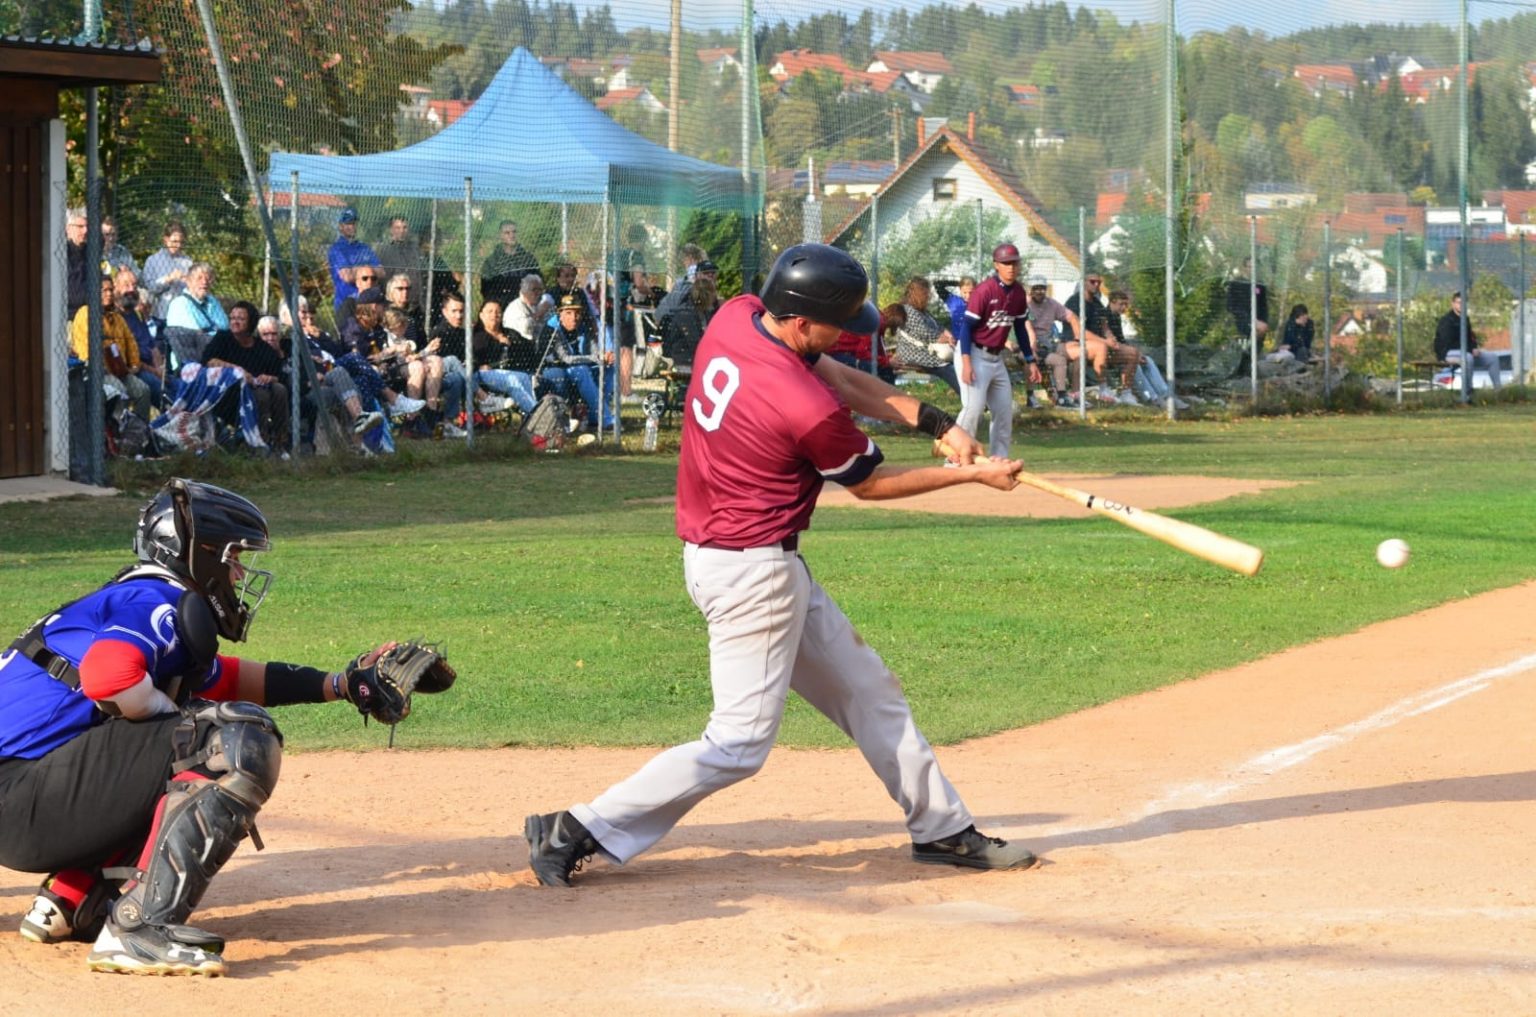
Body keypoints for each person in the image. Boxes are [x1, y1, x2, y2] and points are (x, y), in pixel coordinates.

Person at [523, 244, 1038, 888]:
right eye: (838, 323)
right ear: (800, 321)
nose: (850, 335)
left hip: (740, 560)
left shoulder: (739, 317)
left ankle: (942, 830)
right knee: (737, 744)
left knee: (869, 689)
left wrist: (934, 418)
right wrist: (972, 475)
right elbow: (871, 485)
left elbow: (840, 374)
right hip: (753, 576)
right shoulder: (803, 405)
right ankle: (576, 828)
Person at [0, 479, 438, 975]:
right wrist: (177, 727)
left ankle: (74, 895)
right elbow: (107, 676)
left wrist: (339, 684)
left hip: (23, 797)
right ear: (198, 554)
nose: (238, 574)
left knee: (190, 728)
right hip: (24, 800)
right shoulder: (156, 600)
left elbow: (227, 677)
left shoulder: (135, 601)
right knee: (230, 740)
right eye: (232, 559)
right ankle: (140, 929)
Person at [957, 244, 1039, 458]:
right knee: (973, 409)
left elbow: (1020, 328)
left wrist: (1030, 360)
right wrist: (966, 363)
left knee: (1004, 411)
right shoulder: (984, 291)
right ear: (996, 265)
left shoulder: (1019, 293)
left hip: (996, 358)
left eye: (1014, 262)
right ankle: (955, 456)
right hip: (973, 352)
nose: (1011, 267)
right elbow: (966, 328)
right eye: (1006, 263)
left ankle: (999, 459)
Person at [203, 301, 291, 453]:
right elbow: (209, 361)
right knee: (261, 395)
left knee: (280, 389)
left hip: (259, 387)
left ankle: (280, 442)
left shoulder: (261, 347)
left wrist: (269, 378)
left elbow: (279, 375)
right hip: (229, 392)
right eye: (232, 318)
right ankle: (259, 443)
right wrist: (238, 370)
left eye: (240, 319)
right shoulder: (223, 339)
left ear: (251, 322)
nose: (235, 322)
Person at [71, 275, 153, 422]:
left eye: (111, 290)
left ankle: (138, 432)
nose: (108, 294)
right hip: (98, 372)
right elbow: (85, 349)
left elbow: (131, 343)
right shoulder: (85, 313)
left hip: (120, 371)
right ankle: (116, 434)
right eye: (104, 290)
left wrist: (134, 365)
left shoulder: (116, 317)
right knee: (120, 391)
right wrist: (104, 369)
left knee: (143, 391)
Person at [542, 292, 616, 432]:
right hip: (554, 370)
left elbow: (594, 352)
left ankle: (595, 417)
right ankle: (606, 420)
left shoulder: (582, 327)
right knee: (581, 370)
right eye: (569, 313)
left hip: (578, 368)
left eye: (577, 313)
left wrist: (604, 358)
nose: (574, 318)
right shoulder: (553, 329)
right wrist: (598, 358)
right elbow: (566, 359)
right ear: (560, 313)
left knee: (609, 368)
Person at [1064, 272, 1140, 404]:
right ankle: (1103, 389)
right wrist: (1105, 342)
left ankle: (1125, 393)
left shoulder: (1097, 303)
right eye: (1092, 281)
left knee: (1133, 353)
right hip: (1076, 344)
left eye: (1099, 282)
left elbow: (1105, 327)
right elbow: (1079, 332)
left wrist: (1111, 339)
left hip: (1099, 344)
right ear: (1084, 283)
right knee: (1102, 347)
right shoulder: (1074, 302)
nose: (1096, 284)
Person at [890, 276, 961, 394]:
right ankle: (967, 397)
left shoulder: (922, 311)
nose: (929, 296)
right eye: (926, 293)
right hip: (914, 352)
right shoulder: (908, 311)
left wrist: (948, 336)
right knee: (946, 368)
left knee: (960, 362)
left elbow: (939, 327)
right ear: (919, 293)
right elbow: (927, 334)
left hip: (927, 349)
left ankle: (973, 397)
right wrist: (948, 339)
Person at [1022, 277, 1081, 408]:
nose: (1039, 291)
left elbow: (1071, 316)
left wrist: (1077, 338)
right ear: (1029, 290)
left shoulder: (1051, 303)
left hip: (1048, 343)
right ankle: (1034, 396)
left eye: (1042, 288)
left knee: (1081, 353)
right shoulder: (1023, 305)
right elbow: (1027, 331)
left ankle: (1074, 395)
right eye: (1035, 288)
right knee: (1054, 360)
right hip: (1027, 343)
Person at [114, 268, 165, 410]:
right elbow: (129, 358)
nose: (131, 289)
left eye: (134, 285)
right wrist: (155, 372)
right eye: (126, 285)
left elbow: (153, 347)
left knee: (181, 387)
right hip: (136, 369)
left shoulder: (138, 315)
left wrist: (160, 368)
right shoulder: (116, 318)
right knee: (159, 389)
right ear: (115, 286)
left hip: (153, 368)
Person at [162, 263, 229, 368]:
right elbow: (196, 336)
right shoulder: (180, 304)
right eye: (199, 278)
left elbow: (225, 326)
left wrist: (209, 330)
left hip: (217, 353)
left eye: (208, 278)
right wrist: (215, 332)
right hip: (191, 362)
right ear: (188, 281)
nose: (204, 282)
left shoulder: (213, 301)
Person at [1434, 291, 1502, 390]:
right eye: (1458, 302)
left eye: (1463, 302)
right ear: (1453, 304)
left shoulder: (1465, 319)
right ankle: (1467, 391)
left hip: (1465, 352)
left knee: (1493, 358)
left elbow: (1471, 337)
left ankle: (1498, 390)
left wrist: (1474, 348)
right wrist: (1470, 350)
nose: (1461, 305)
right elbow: (1448, 343)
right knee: (1468, 357)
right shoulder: (1447, 320)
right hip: (1447, 353)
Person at [326, 207, 379, 314]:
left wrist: (356, 271)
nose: (352, 226)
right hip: (345, 304)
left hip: (367, 303)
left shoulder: (364, 247)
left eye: (354, 223)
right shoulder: (337, 249)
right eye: (348, 223)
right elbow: (347, 276)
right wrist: (368, 270)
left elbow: (382, 272)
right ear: (341, 226)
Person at [481, 220, 538, 309]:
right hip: (501, 306)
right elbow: (486, 289)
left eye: (514, 232)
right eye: (507, 233)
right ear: (500, 236)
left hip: (525, 306)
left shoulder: (528, 259)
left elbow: (537, 282)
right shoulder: (492, 261)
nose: (512, 235)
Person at [141, 222, 193, 321]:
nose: (178, 245)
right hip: (160, 314)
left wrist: (187, 280)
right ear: (165, 239)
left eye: (181, 242)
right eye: (175, 241)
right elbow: (150, 288)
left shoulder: (188, 261)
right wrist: (168, 279)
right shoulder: (152, 260)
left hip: (183, 314)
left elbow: (192, 289)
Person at [376, 216, 425, 298]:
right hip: (394, 298)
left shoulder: (415, 249)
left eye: (404, 227)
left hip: (414, 298)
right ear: (391, 230)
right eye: (397, 228)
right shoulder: (384, 251)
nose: (401, 231)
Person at [1226, 257, 1269, 343]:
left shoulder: (1260, 285)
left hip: (1258, 321)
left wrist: (1263, 320)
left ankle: (1252, 346)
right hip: (1241, 320)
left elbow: (1263, 305)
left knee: (1262, 330)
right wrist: (1249, 319)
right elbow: (1230, 305)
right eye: (1250, 267)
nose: (1252, 270)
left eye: (1255, 267)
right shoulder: (1236, 283)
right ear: (1244, 268)